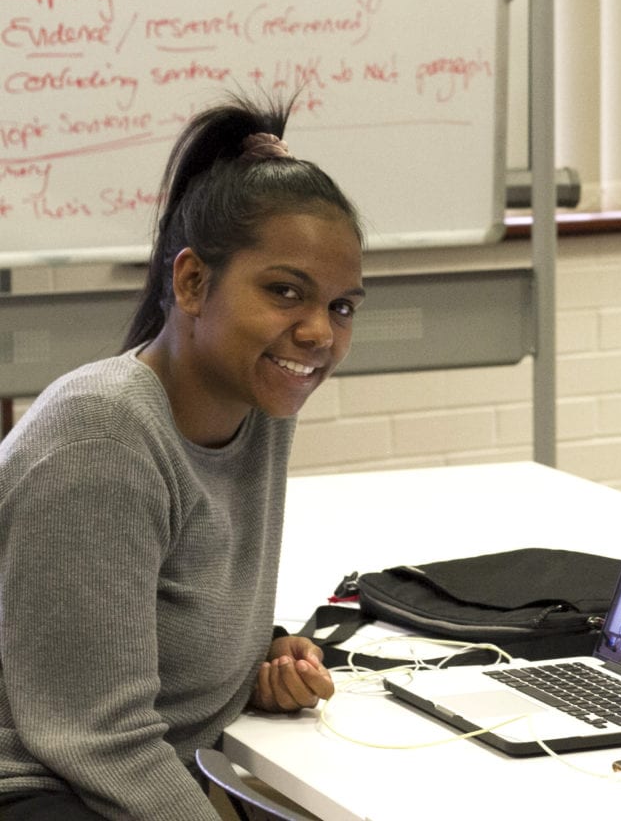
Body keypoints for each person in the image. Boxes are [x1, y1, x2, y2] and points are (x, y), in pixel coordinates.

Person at [0, 96, 365, 819]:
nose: (318, 332)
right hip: (41, 791)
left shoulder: (259, 404)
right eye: (285, 292)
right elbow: (101, 741)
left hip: (137, 773)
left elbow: (160, 603)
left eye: (343, 306)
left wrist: (263, 656)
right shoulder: (101, 439)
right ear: (193, 282)